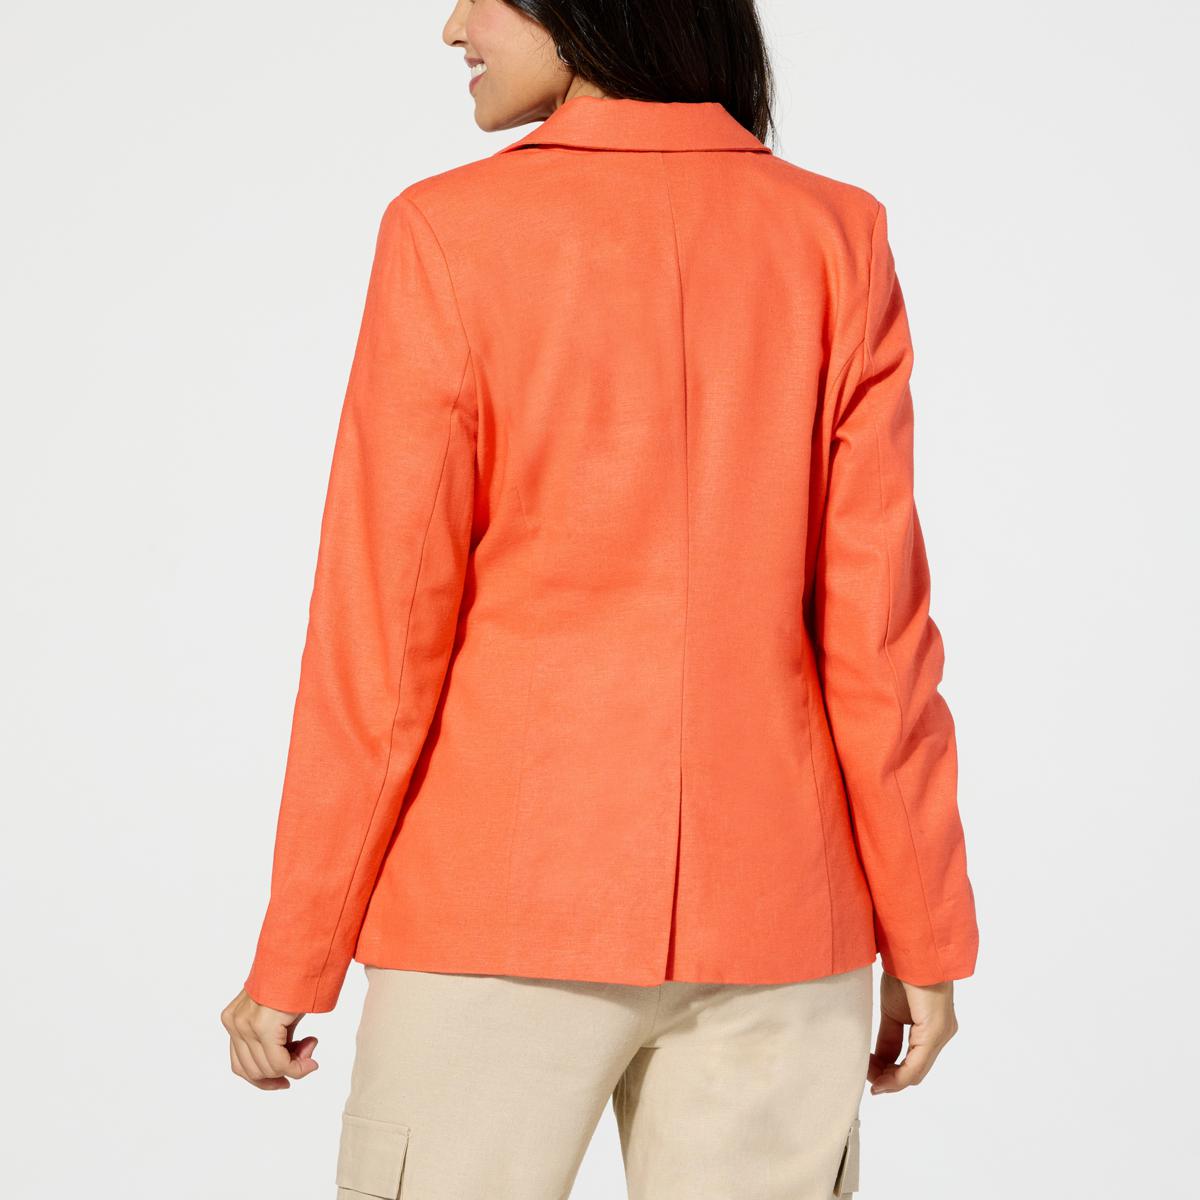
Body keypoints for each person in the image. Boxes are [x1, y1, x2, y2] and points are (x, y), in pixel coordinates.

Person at [220, 1, 979, 1196]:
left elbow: (384, 636)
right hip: (781, 923)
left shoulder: (449, 231)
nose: (453, 25)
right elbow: (879, 640)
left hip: (492, 917)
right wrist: (925, 933)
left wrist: (298, 950)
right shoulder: (837, 234)